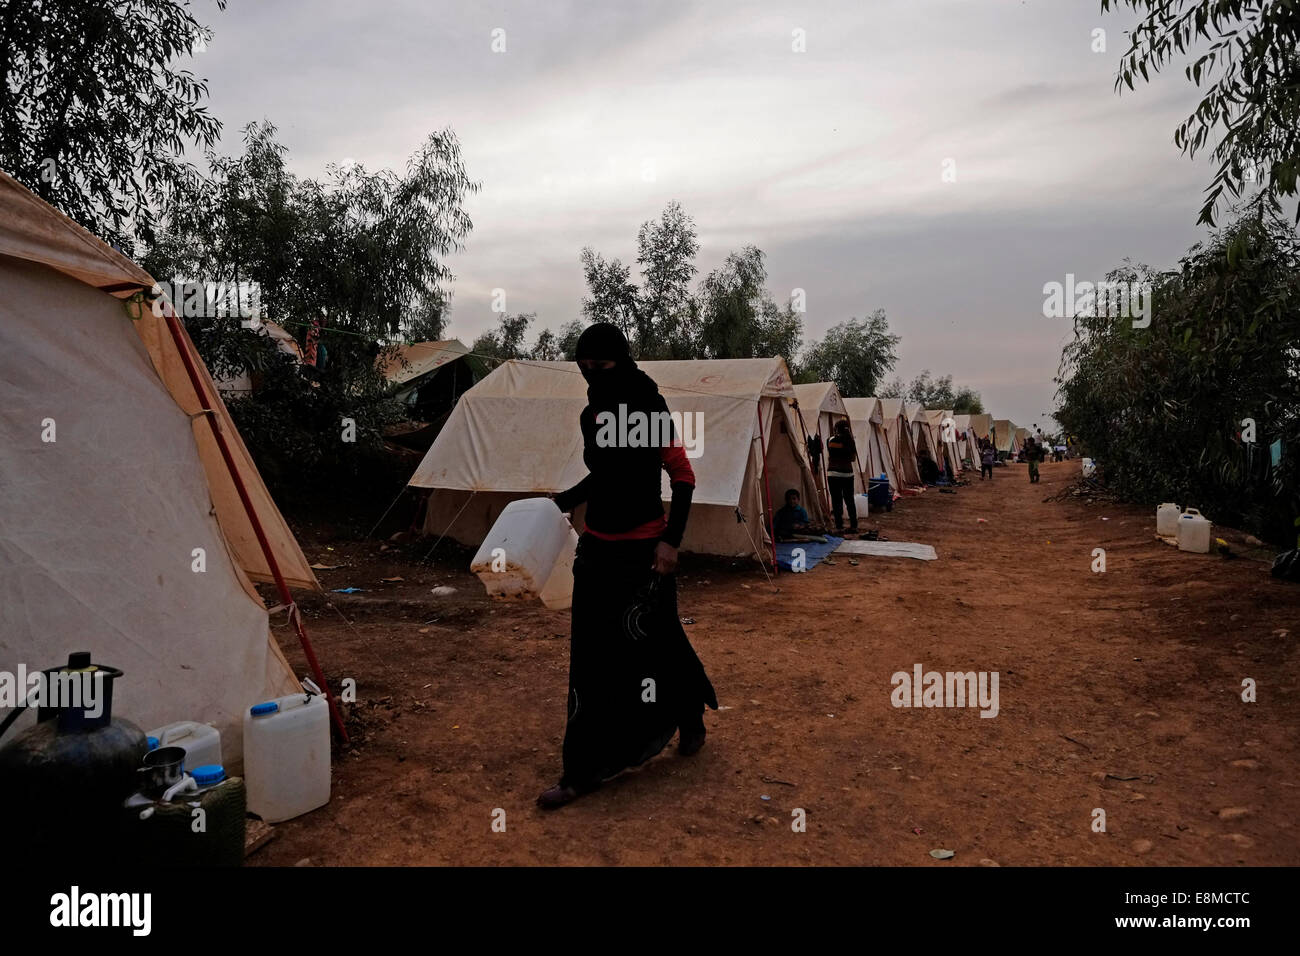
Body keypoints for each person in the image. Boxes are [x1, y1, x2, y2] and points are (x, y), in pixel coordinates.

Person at [539, 323, 717, 809]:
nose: (593, 375)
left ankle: (688, 715)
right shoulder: (592, 413)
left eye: (602, 367)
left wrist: (670, 543)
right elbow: (604, 475)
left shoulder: (648, 407)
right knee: (592, 654)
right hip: (597, 547)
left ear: (622, 362)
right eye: (585, 369)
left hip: (645, 552)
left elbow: (683, 476)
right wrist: (558, 503)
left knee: (659, 643)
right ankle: (583, 768)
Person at [824, 420, 859, 534]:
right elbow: (853, 458)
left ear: (836, 429)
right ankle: (854, 526)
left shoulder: (830, 440)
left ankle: (839, 526)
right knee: (849, 500)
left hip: (833, 474)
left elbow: (831, 452)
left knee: (836, 500)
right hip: (848, 474)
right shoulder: (851, 442)